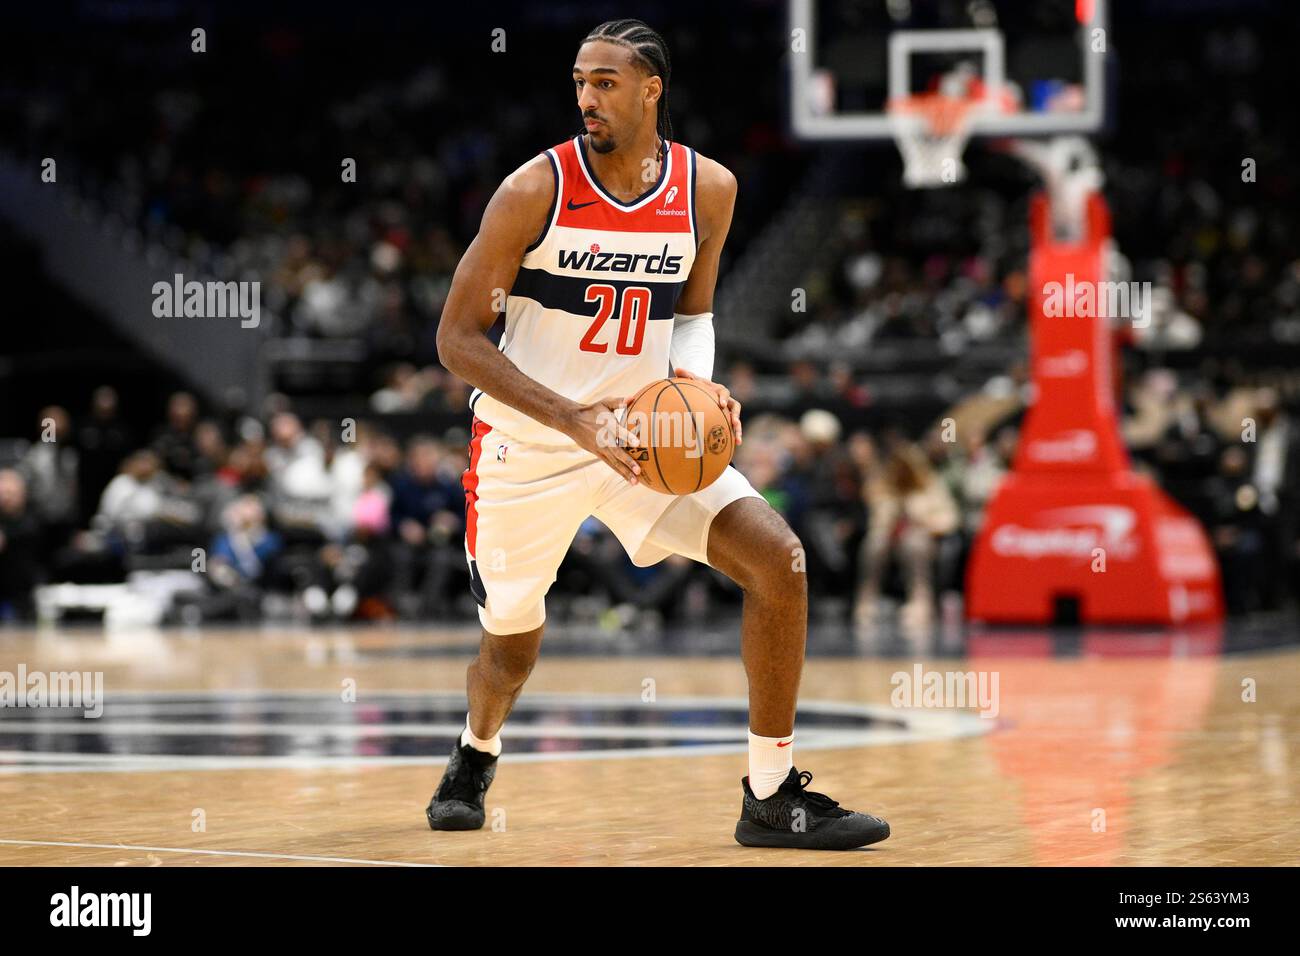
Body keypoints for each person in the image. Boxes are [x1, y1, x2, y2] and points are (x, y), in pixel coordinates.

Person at [427, 18, 888, 850]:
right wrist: (572, 418)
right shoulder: (534, 190)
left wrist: (699, 389)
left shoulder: (708, 188)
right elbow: (455, 339)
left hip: (644, 438)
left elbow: (695, 315)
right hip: (529, 448)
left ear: (651, 90)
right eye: (578, 81)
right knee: (511, 641)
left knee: (779, 560)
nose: (586, 98)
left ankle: (770, 793)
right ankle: (476, 748)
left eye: (604, 82)